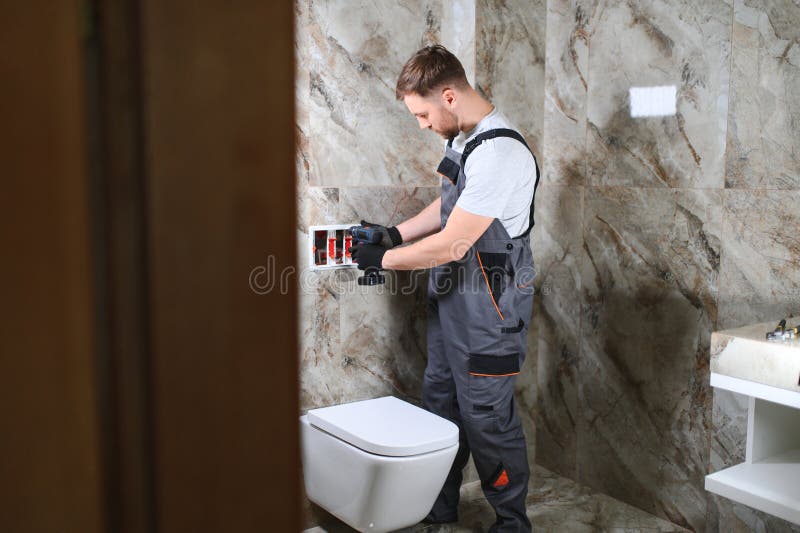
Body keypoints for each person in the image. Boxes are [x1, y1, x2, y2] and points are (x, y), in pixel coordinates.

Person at [350, 44, 539, 533]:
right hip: (455, 300)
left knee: (486, 419)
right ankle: (439, 511)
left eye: (421, 114)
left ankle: (512, 523)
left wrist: (384, 259)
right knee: (440, 405)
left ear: (449, 97)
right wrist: (396, 233)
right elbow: (451, 208)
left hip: (491, 306)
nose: (421, 125)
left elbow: (455, 244)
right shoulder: (465, 139)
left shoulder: (500, 152)